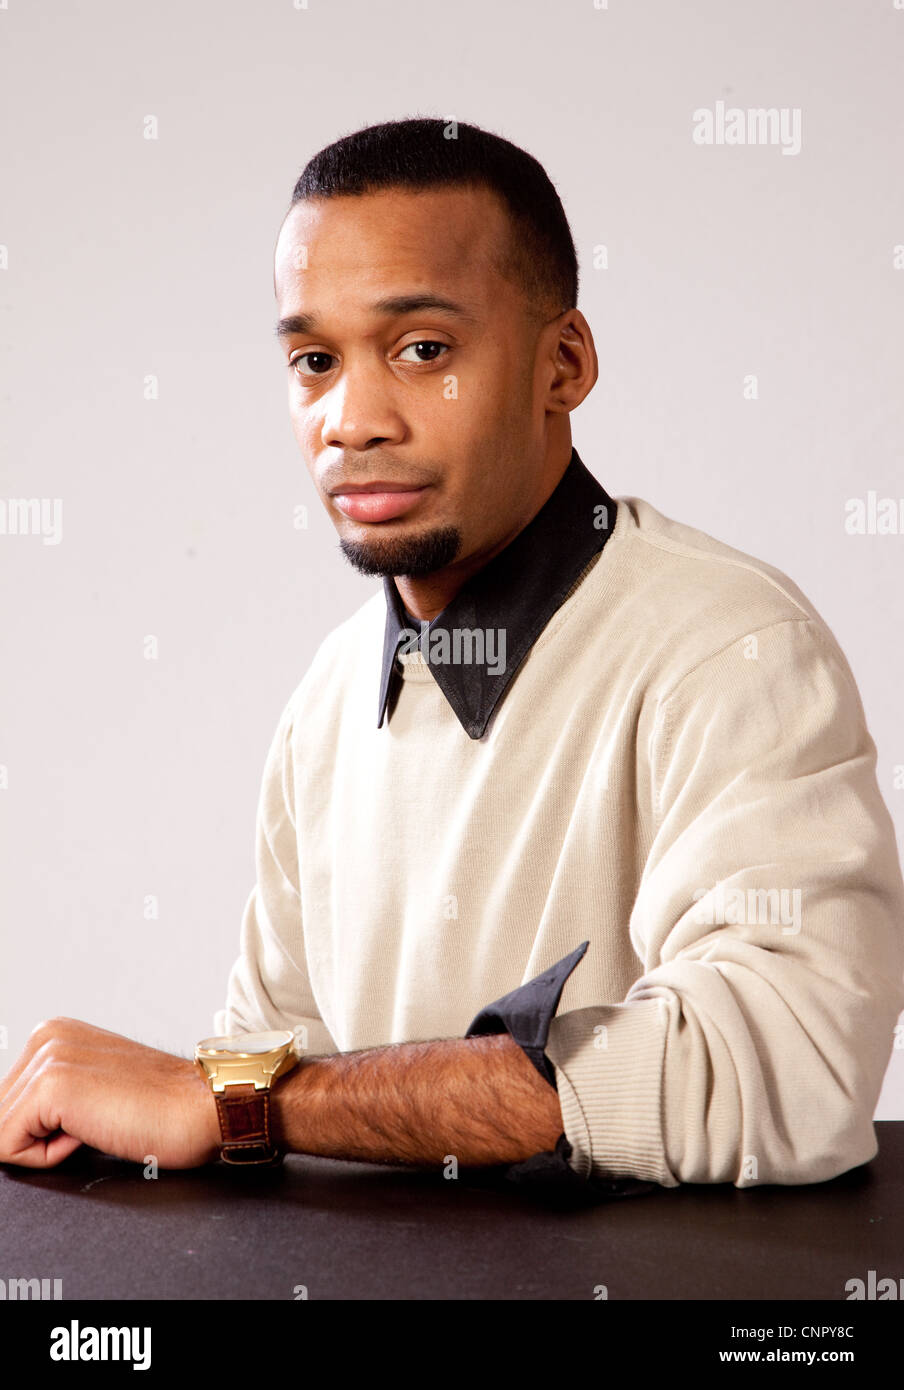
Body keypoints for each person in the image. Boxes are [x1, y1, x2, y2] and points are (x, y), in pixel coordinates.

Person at [2, 118, 902, 1197]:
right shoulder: (325, 703)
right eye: (313, 361)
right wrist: (224, 1107)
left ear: (561, 364)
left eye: (421, 349)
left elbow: (779, 1080)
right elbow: (260, 1107)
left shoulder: (730, 651)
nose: (350, 420)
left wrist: (247, 1100)